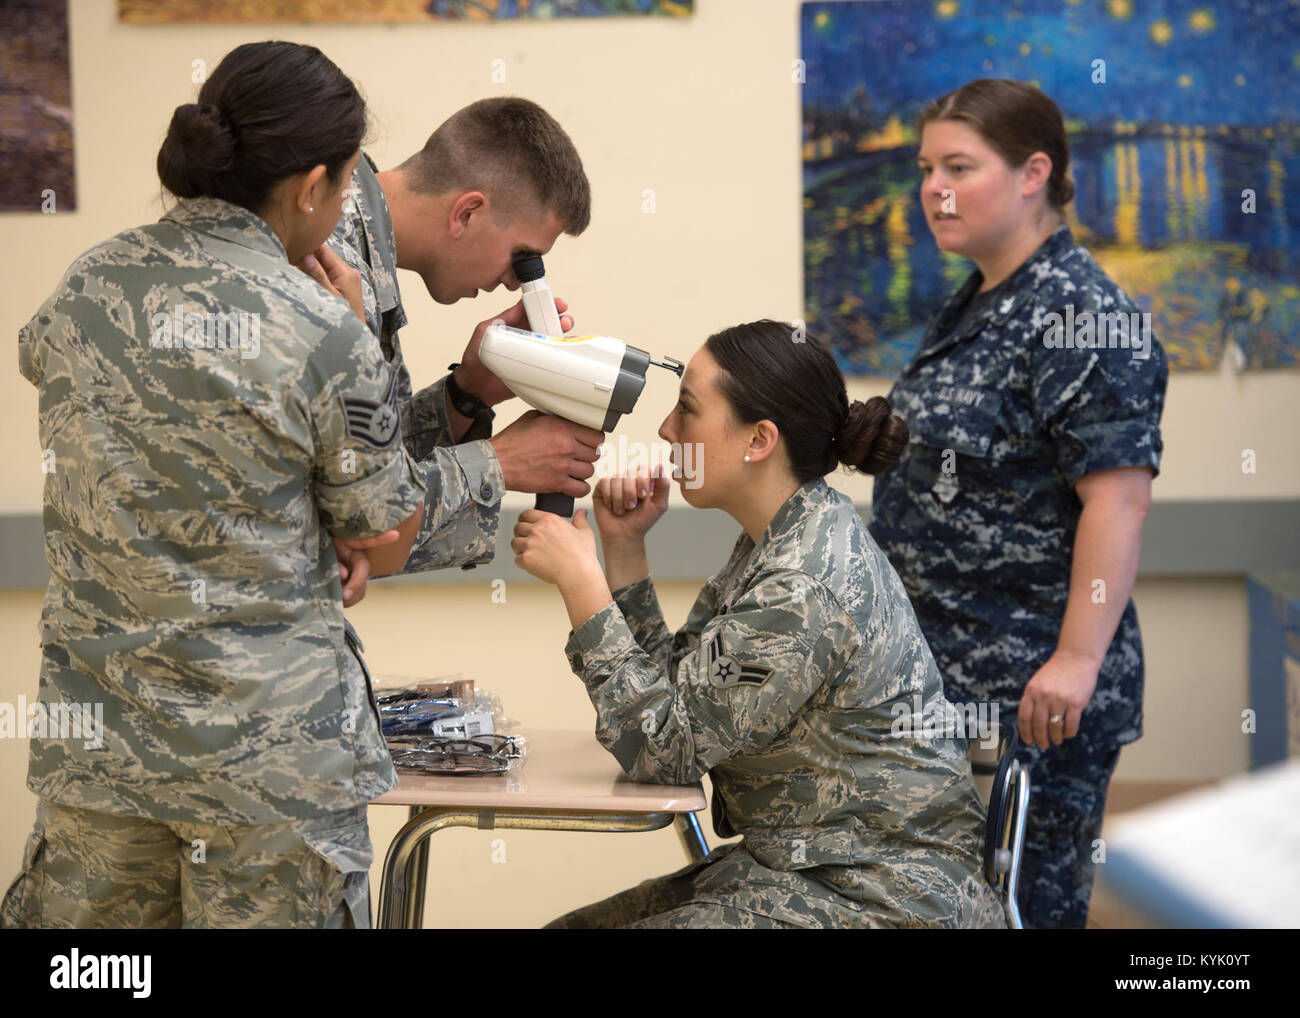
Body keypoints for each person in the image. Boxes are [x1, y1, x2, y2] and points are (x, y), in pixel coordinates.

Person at [1, 41, 427, 929]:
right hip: (269, 780)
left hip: (104, 761)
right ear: (310, 186)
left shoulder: (86, 284)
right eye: (347, 185)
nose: (346, 204)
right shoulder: (322, 330)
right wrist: (355, 346)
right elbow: (384, 537)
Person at [511, 320, 1007, 929]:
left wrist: (580, 583)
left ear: (758, 440)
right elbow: (677, 704)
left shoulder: (801, 584)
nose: (667, 429)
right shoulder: (784, 537)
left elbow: (662, 752)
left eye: (688, 409)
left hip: (885, 897)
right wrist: (623, 551)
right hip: (807, 867)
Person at [867, 79, 1169, 929]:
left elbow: (1119, 502)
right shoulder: (979, 297)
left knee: (1022, 919)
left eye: (960, 166)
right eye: (927, 167)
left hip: (1034, 697)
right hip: (951, 691)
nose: (934, 188)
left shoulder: (1079, 314)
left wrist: (1075, 661)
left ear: (1035, 172)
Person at [324, 96, 605, 587]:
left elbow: (362, 460)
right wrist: (501, 462)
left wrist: (468, 392)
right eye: (522, 257)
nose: (516, 284)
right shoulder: (333, 270)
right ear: (467, 213)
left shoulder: (355, 246)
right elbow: (356, 520)